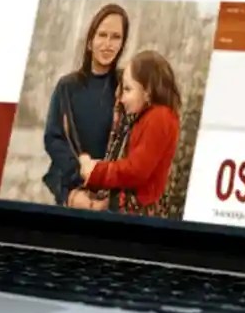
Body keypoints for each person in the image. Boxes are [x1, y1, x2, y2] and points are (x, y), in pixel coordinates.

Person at [42, 4, 128, 208]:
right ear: (90, 41)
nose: (108, 44)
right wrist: (78, 177)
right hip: (71, 188)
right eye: (102, 35)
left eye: (116, 37)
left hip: (111, 192)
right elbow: (53, 138)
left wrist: (108, 189)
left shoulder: (126, 86)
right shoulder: (67, 86)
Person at [78, 50, 182, 217]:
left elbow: (136, 170)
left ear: (147, 90)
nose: (122, 98)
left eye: (127, 89)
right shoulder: (146, 117)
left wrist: (96, 171)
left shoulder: (160, 117)